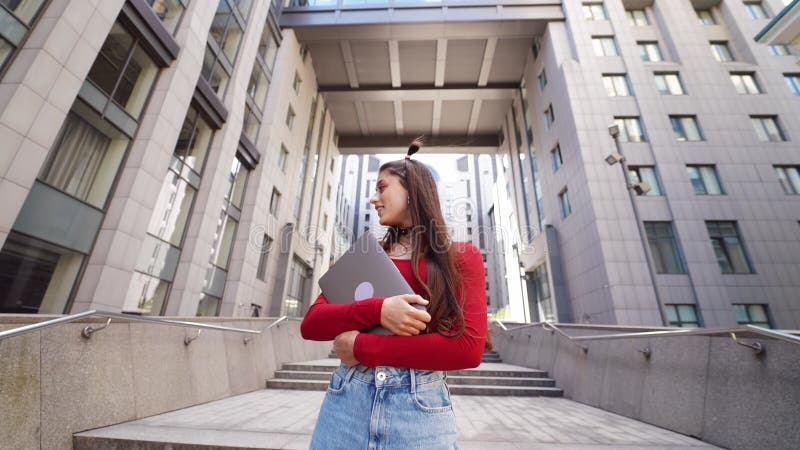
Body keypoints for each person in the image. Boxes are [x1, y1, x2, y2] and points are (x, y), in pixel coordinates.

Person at [300, 138, 487, 450]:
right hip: (346, 403)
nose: (374, 199)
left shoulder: (461, 257)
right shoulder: (366, 257)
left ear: (412, 190)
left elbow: (467, 349)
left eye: (382, 187)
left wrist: (363, 345)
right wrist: (378, 310)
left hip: (419, 411)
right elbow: (312, 323)